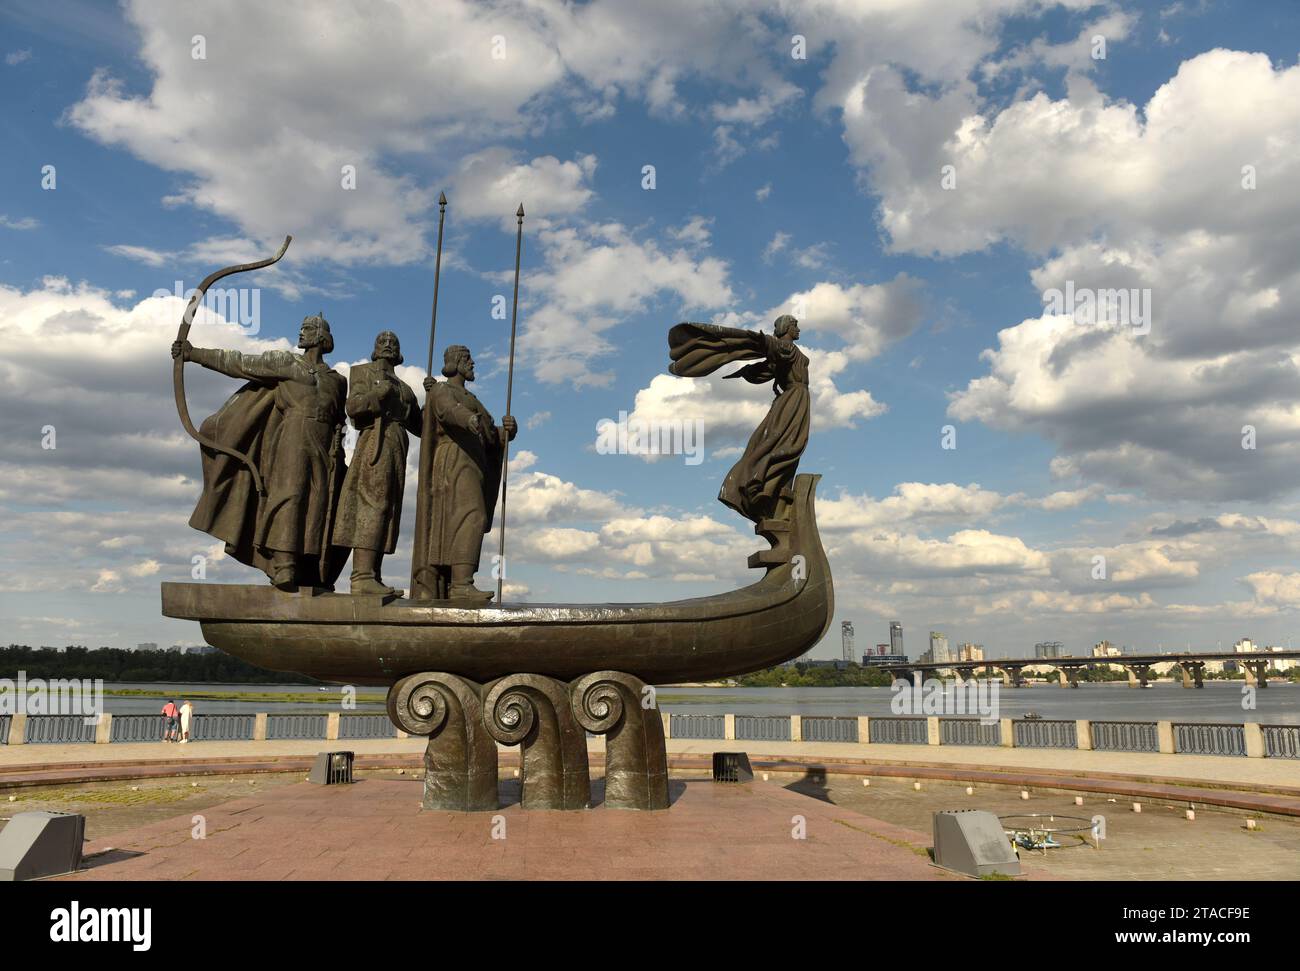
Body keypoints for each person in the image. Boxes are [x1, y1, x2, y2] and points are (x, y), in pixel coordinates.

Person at [173, 312, 349, 591]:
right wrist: (194, 354)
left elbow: (339, 415)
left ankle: (310, 566)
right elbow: (240, 363)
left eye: (307, 329)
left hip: (326, 443)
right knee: (290, 493)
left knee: (319, 502)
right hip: (292, 433)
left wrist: (339, 439)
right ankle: (284, 563)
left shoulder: (337, 380)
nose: (301, 333)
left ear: (321, 337)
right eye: (301, 328)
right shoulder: (286, 362)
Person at [668, 314, 810, 522]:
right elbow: (773, 351)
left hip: (796, 399)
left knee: (789, 446)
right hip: (793, 398)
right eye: (795, 325)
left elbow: (767, 368)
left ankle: (772, 491)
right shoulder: (783, 347)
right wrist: (758, 344)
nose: (798, 329)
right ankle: (756, 483)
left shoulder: (786, 350)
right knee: (787, 445)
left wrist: (747, 371)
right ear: (786, 327)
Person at [413, 345, 517, 601]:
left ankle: (458, 582)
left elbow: (491, 435)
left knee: (471, 517)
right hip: (454, 457)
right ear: (456, 362)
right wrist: (468, 420)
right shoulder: (442, 389)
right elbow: (447, 410)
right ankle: (461, 584)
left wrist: (506, 432)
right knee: (471, 514)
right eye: (468, 359)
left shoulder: (472, 398)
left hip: (474, 460)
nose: (473, 363)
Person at [333, 331, 423, 596]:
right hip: (376, 440)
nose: (387, 345)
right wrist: (377, 395)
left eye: (393, 343)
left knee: (388, 508)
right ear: (374, 349)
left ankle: (374, 575)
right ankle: (361, 577)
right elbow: (353, 408)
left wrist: (434, 398)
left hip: (397, 444)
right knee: (373, 504)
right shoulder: (363, 372)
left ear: (398, 352)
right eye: (381, 342)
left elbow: (419, 425)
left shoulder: (405, 388)